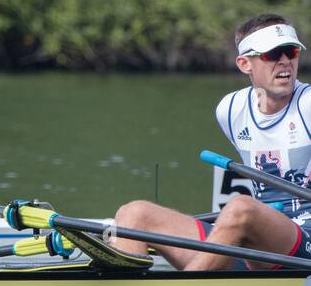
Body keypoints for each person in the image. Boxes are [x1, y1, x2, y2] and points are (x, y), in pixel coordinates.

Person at [113, 14, 311, 269]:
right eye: (272, 54)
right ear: (244, 64)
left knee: (240, 208)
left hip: (304, 247)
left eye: (291, 51)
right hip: (255, 248)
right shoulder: (231, 109)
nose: (284, 61)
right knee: (133, 214)